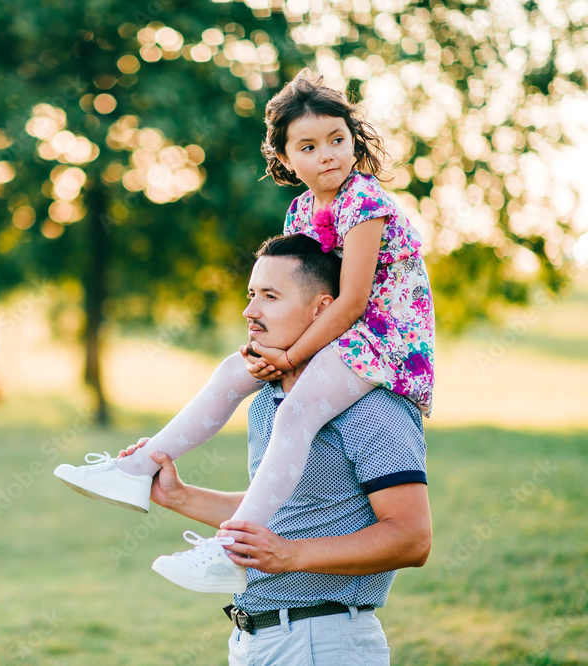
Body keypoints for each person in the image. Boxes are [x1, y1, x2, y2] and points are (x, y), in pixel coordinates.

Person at [53, 69, 434, 593]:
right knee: (234, 369)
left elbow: (350, 302)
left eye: (337, 140)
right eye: (308, 146)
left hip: (384, 341)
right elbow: (300, 290)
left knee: (297, 411)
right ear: (284, 159)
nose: (328, 155)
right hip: (335, 333)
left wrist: (290, 355)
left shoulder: (365, 202)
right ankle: (137, 469)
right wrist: (267, 348)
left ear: (353, 140)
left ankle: (233, 550)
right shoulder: (302, 208)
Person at [137, 234, 430, 663]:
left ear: (322, 310)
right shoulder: (267, 402)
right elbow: (290, 511)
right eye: (252, 294)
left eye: (270, 296)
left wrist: (292, 555)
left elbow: (412, 539)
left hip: (322, 640)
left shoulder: (374, 408)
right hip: (254, 640)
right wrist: (179, 497)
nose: (250, 311)